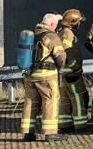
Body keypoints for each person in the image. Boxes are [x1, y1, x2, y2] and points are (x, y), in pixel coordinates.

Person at [20, 13, 67, 142]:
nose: (57, 27)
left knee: (30, 103)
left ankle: (28, 133)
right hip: (46, 76)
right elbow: (60, 58)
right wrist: (60, 65)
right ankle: (50, 132)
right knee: (50, 101)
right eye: (56, 24)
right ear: (51, 24)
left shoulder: (33, 34)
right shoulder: (51, 36)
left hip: (30, 75)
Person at [58, 9, 93, 133]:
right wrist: (74, 66)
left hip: (64, 74)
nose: (80, 24)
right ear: (73, 22)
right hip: (72, 73)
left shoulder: (62, 32)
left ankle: (65, 125)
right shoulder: (68, 34)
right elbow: (66, 52)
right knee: (80, 97)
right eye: (78, 22)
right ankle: (81, 125)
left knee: (66, 100)